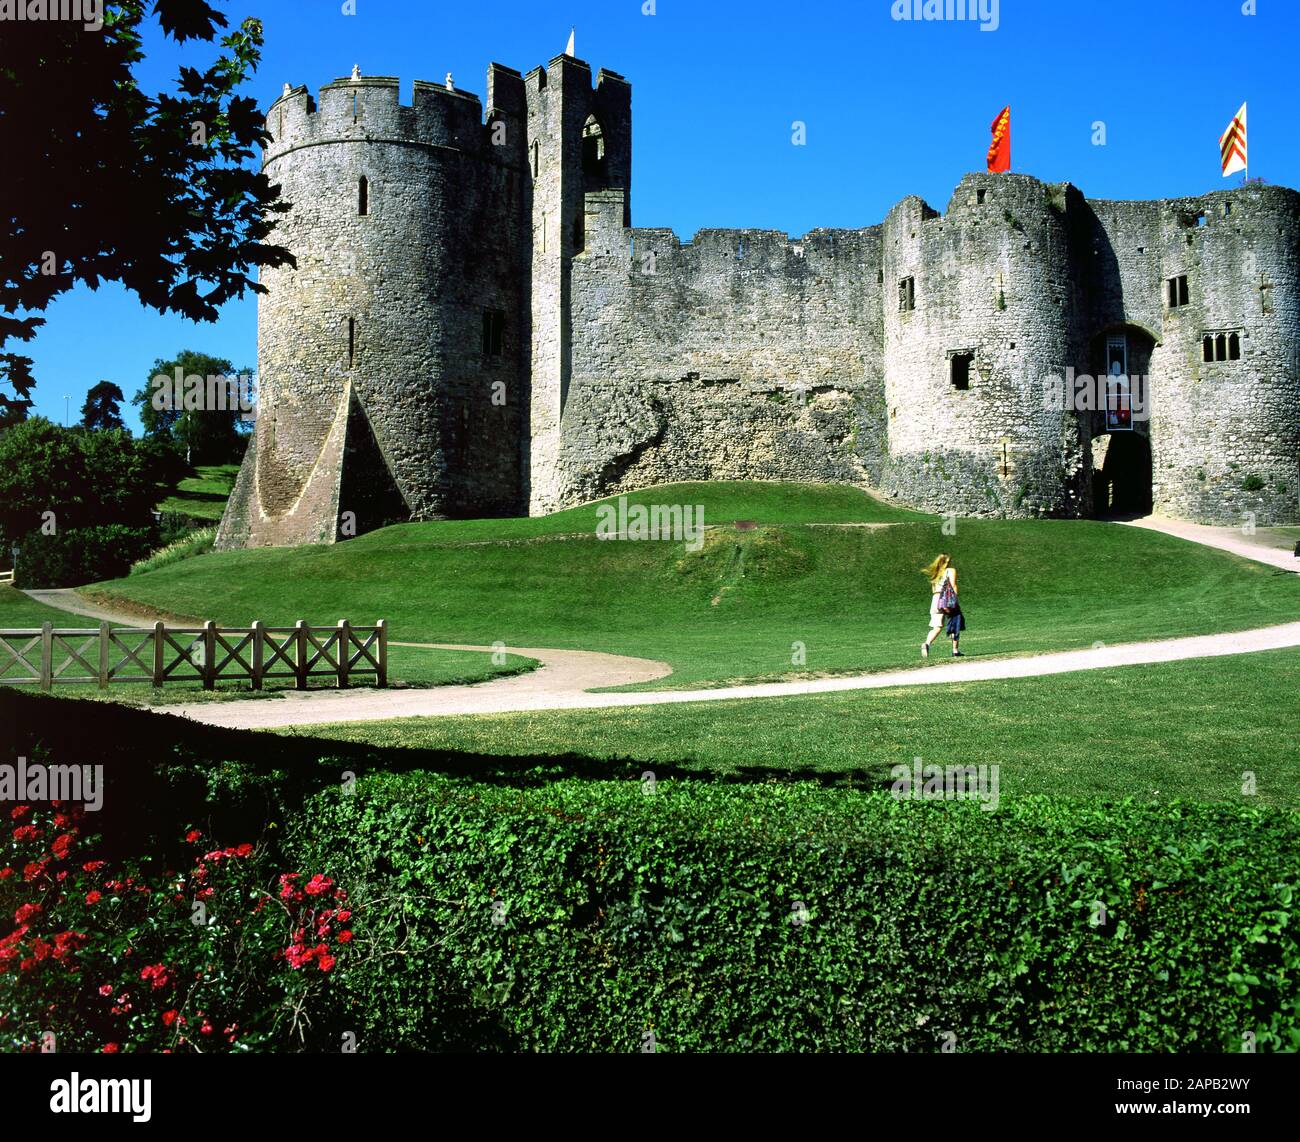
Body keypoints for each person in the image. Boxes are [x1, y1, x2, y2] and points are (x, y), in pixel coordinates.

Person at [921, 553, 964, 659]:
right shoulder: (950, 570)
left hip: (936, 599)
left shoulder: (936, 574)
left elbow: (933, 590)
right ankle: (955, 650)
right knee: (955, 622)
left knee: (937, 627)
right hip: (947, 598)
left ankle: (927, 643)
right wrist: (955, 600)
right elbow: (953, 584)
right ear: (947, 561)